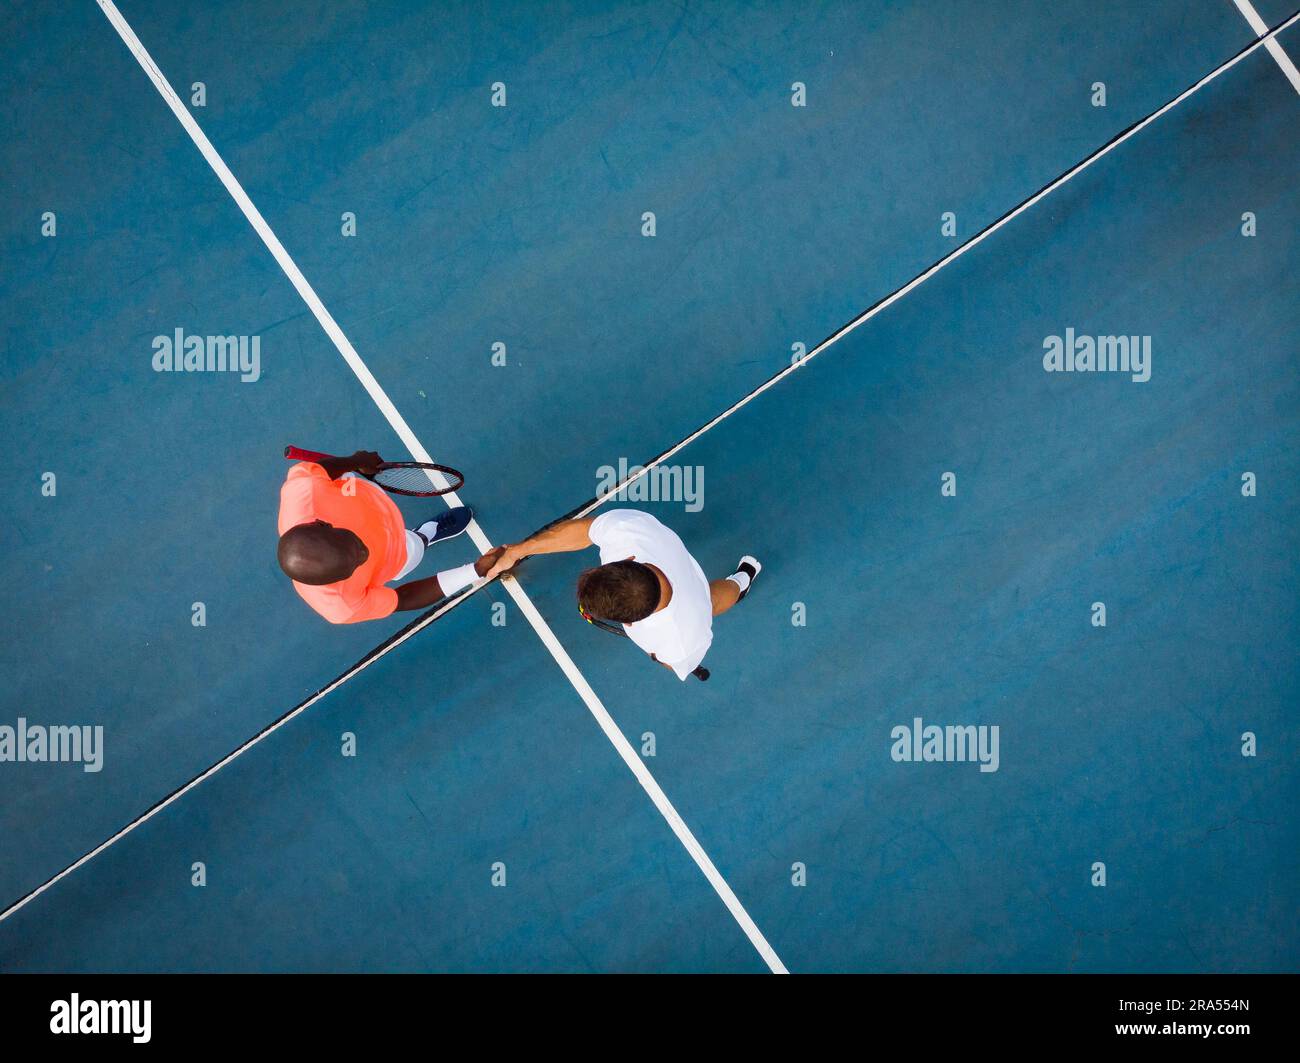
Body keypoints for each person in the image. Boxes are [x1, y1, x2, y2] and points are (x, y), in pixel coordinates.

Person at [484, 509, 759, 680]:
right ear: (628, 560)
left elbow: (673, 662)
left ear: (628, 622)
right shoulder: (629, 529)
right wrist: (516, 551)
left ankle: (741, 583)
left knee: (708, 603)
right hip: (675, 561)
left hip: (693, 602)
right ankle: (742, 580)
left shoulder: (680, 642)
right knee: (707, 600)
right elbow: (584, 530)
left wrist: (661, 657)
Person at [277, 449, 503, 623]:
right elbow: (402, 599)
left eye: (356, 544)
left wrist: (356, 460)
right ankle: (426, 534)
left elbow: (323, 470)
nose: (365, 552)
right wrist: (475, 571)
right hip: (397, 552)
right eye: (358, 562)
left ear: (322, 523)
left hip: (361, 495)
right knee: (414, 546)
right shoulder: (341, 606)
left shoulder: (305, 490)